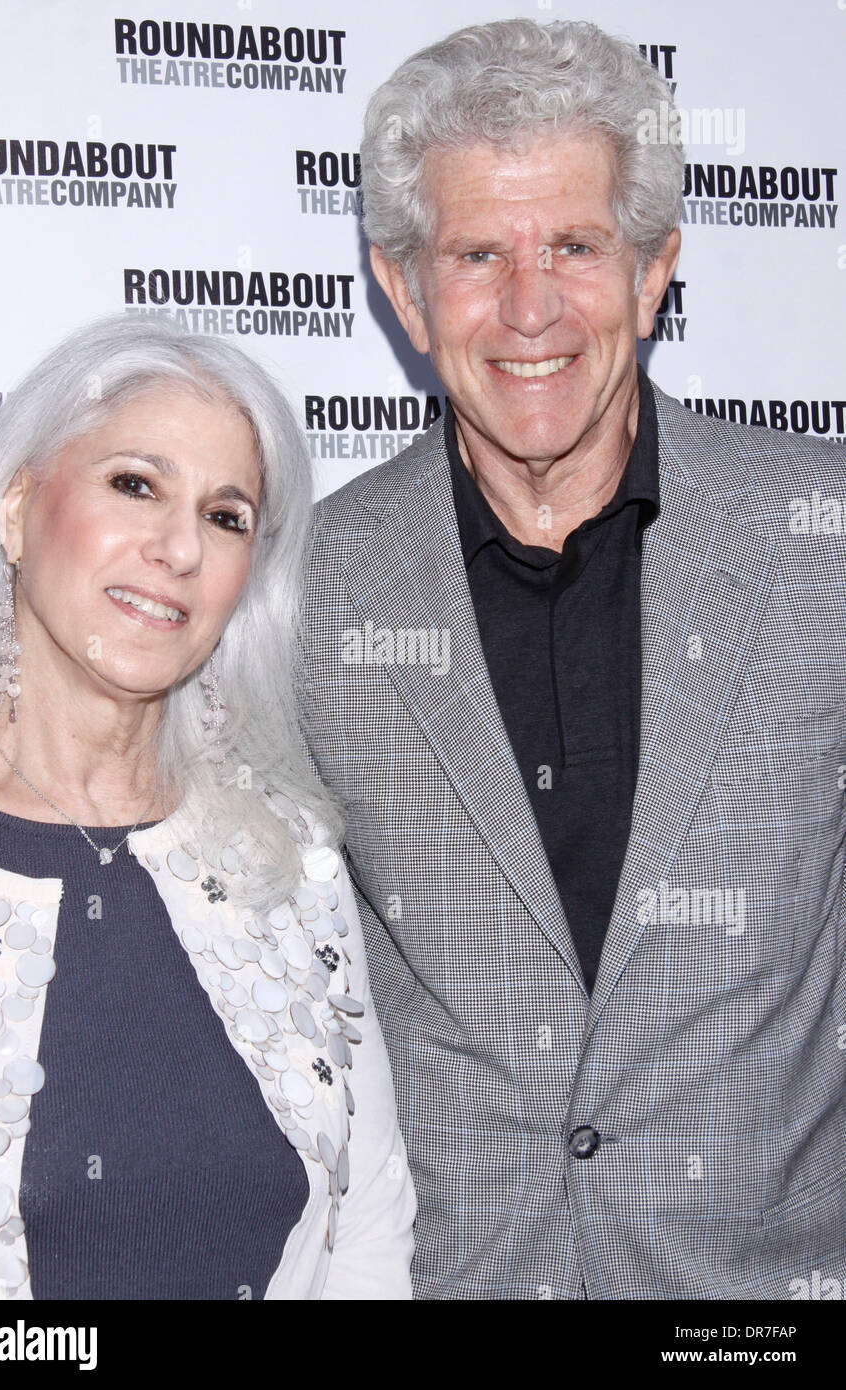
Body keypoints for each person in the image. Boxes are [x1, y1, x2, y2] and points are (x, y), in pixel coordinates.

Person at [298, 18, 846, 1299]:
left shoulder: (821, 539)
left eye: (576, 247)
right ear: (401, 288)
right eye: (477, 252)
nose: (530, 306)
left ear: (655, 270)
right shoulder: (308, 587)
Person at [0, 314, 414, 1300]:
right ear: (20, 510)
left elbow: (368, 1216)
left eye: (225, 515)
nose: (178, 548)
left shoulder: (288, 859)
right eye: (136, 484)